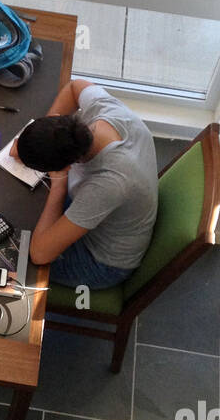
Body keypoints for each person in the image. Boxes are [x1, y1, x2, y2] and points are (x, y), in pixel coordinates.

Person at [12, 79, 158, 289]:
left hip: (101, 261)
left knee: (16, 251)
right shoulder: (105, 111)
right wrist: (46, 136)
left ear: (65, 167)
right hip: (105, 214)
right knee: (26, 209)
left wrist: (58, 186)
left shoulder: (108, 183)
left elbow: (39, 254)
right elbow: (74, 87)